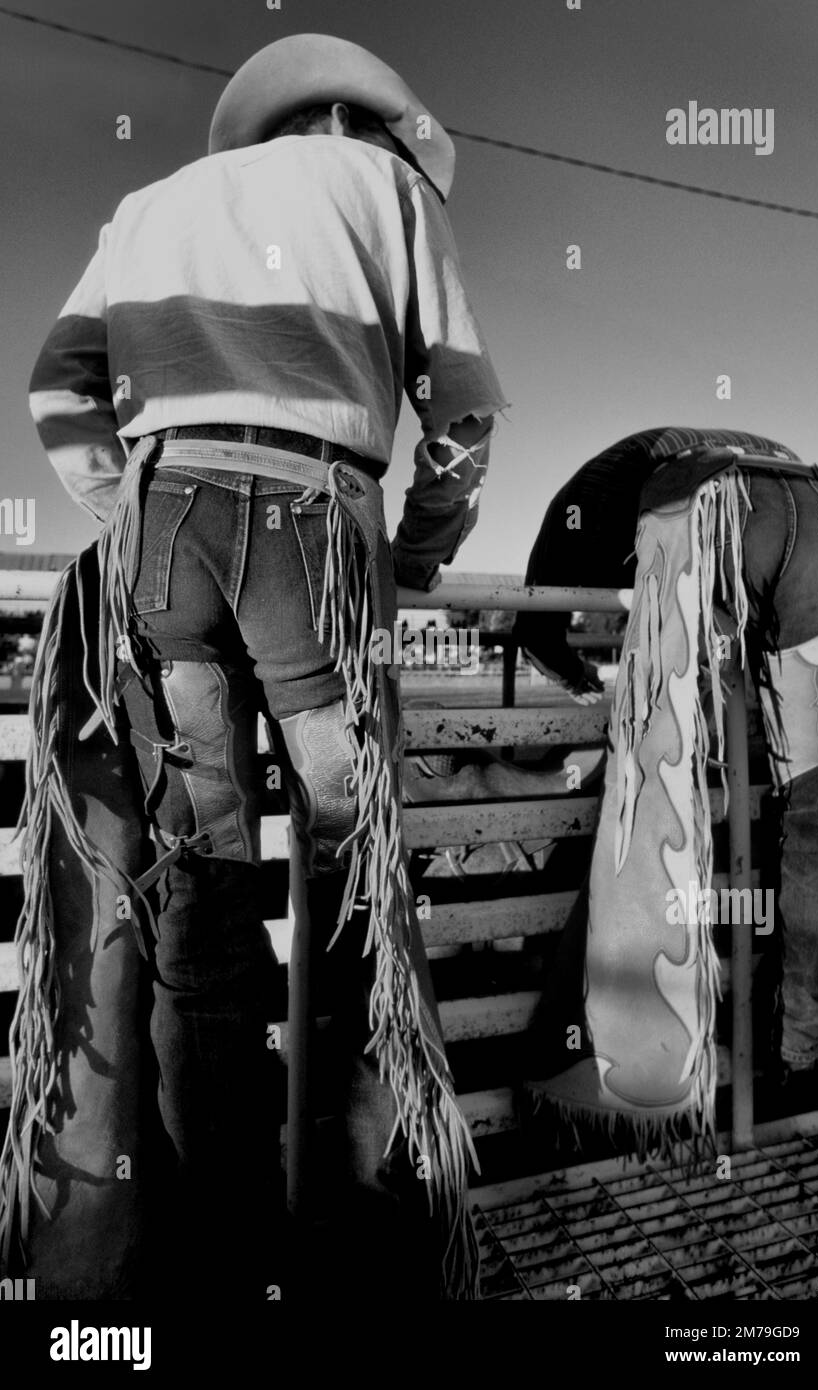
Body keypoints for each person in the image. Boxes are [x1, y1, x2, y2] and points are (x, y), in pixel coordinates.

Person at [2, 33, 506, 1301]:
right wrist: (423, 550)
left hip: (166, 532)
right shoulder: (388, 192)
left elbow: (58, 386)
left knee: (202, 889)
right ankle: (348, 1214)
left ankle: (209, 1243)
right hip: (317, 534)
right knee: (352, 871)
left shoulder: (151, 204)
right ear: (366, 125)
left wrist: (125, 510)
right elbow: (463, 409)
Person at [518, 427, 818, 1145]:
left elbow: (540, 620)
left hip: (711, 509)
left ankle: (620, 1075)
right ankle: (803, 1055)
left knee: (649, 774)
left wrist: (566, 664)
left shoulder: (587, 493)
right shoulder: (642, 461)